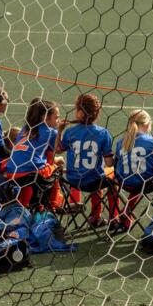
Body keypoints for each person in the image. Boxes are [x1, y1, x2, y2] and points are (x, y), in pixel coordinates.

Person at [60, 93, 116, 227]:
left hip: (73, 181)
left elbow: (58, 150)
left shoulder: (70, 132)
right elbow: (109, 163)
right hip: (93, 181)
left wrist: (59, 130)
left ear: (79, 111)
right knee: (111, 180)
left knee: (91, 175)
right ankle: (111, 219)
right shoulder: (103, 133)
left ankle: (77, 203)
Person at [1, 99, 61, 209]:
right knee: (56, 171)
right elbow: (50, 160)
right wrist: (58, 160)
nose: (59, 120)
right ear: (45, 118)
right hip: (29, 173)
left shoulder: (24, 129)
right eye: (56, 118)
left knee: (31, 179)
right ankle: (53, 205)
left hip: (11, 173)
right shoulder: (51, 132)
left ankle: (23, 205)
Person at [113, 109, 153, 231]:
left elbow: (116, 165)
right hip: (144, 184)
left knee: (135, 178)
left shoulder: (120, 142)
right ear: (147, 124)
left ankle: (125, 214)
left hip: (123, 183)